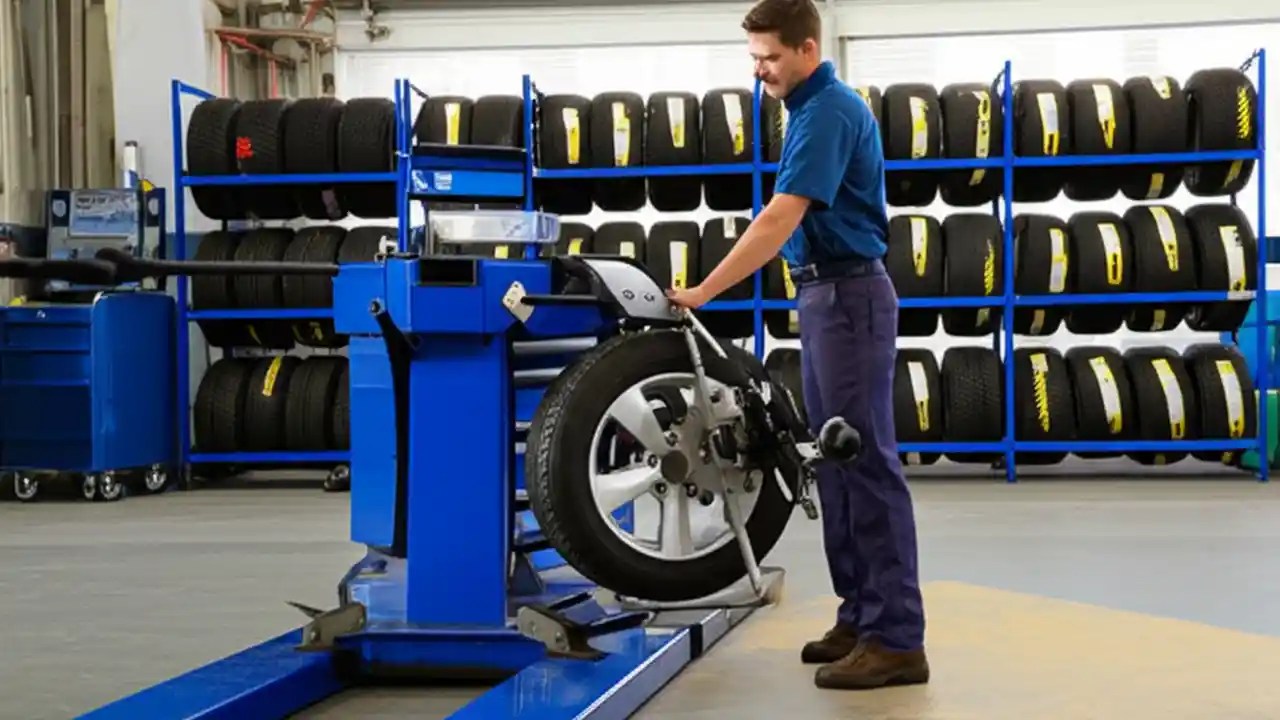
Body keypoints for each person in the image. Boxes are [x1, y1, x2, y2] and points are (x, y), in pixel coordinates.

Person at [664, 0, 929, 691]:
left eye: (770, 58)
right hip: (824, 296)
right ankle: (861, 618)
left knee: (865, 462)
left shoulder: (829, 111)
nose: (759, 72)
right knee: (834, 461)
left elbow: (780, 217)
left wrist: (704, 291)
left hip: (849, 298)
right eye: (753, 60)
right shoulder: (805, 110)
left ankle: (898, 638)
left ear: (808, 49)